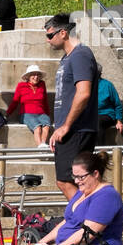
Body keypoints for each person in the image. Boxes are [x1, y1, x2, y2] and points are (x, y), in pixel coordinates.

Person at [46, 13, 100, 201]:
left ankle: (87, 223)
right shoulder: (68, 58)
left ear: (63, 33)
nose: (48, 40)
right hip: (69, 127)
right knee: (67, 180)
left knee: (68, 181)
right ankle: (86, 223)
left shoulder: (81, 55)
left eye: (50, 35)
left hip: (77, 128)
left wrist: (66, 126)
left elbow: (84, 93)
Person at [5, 64, 52, 147]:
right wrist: (7, 114)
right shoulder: (21, 86)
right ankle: (40, 145)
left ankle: (43, 144)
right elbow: (15, 102)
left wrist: (47, 114)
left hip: (41, 113)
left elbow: (45, 101)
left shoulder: (42, 84)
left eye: (38, 75)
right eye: (33, 75)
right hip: (27, 114)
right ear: (28, 76)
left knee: (46, 125)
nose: (36, 77)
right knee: (37, 127)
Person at [97, 76, 123, 146]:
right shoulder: (84, 84)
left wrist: (119, 121)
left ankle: (101, 152)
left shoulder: (107, 85)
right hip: (90, 115)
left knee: (97, 121)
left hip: (106, 114)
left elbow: (117, 104)